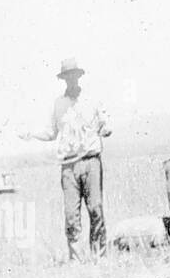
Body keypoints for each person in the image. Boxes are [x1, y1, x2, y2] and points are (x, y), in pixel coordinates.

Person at [21, 57, 112, 260]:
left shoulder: (92, 100)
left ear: (78, 77)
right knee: (72, 216)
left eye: (74, 76)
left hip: (90, 161)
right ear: (64, 79)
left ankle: (100, 257)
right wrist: (30, 134)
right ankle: (77, 260)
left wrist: (105, 129)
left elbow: (105, 124)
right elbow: (51, 132)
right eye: (67, 77)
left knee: (96, 209)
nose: (71, 81)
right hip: (69, 166)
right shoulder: (59, 104)